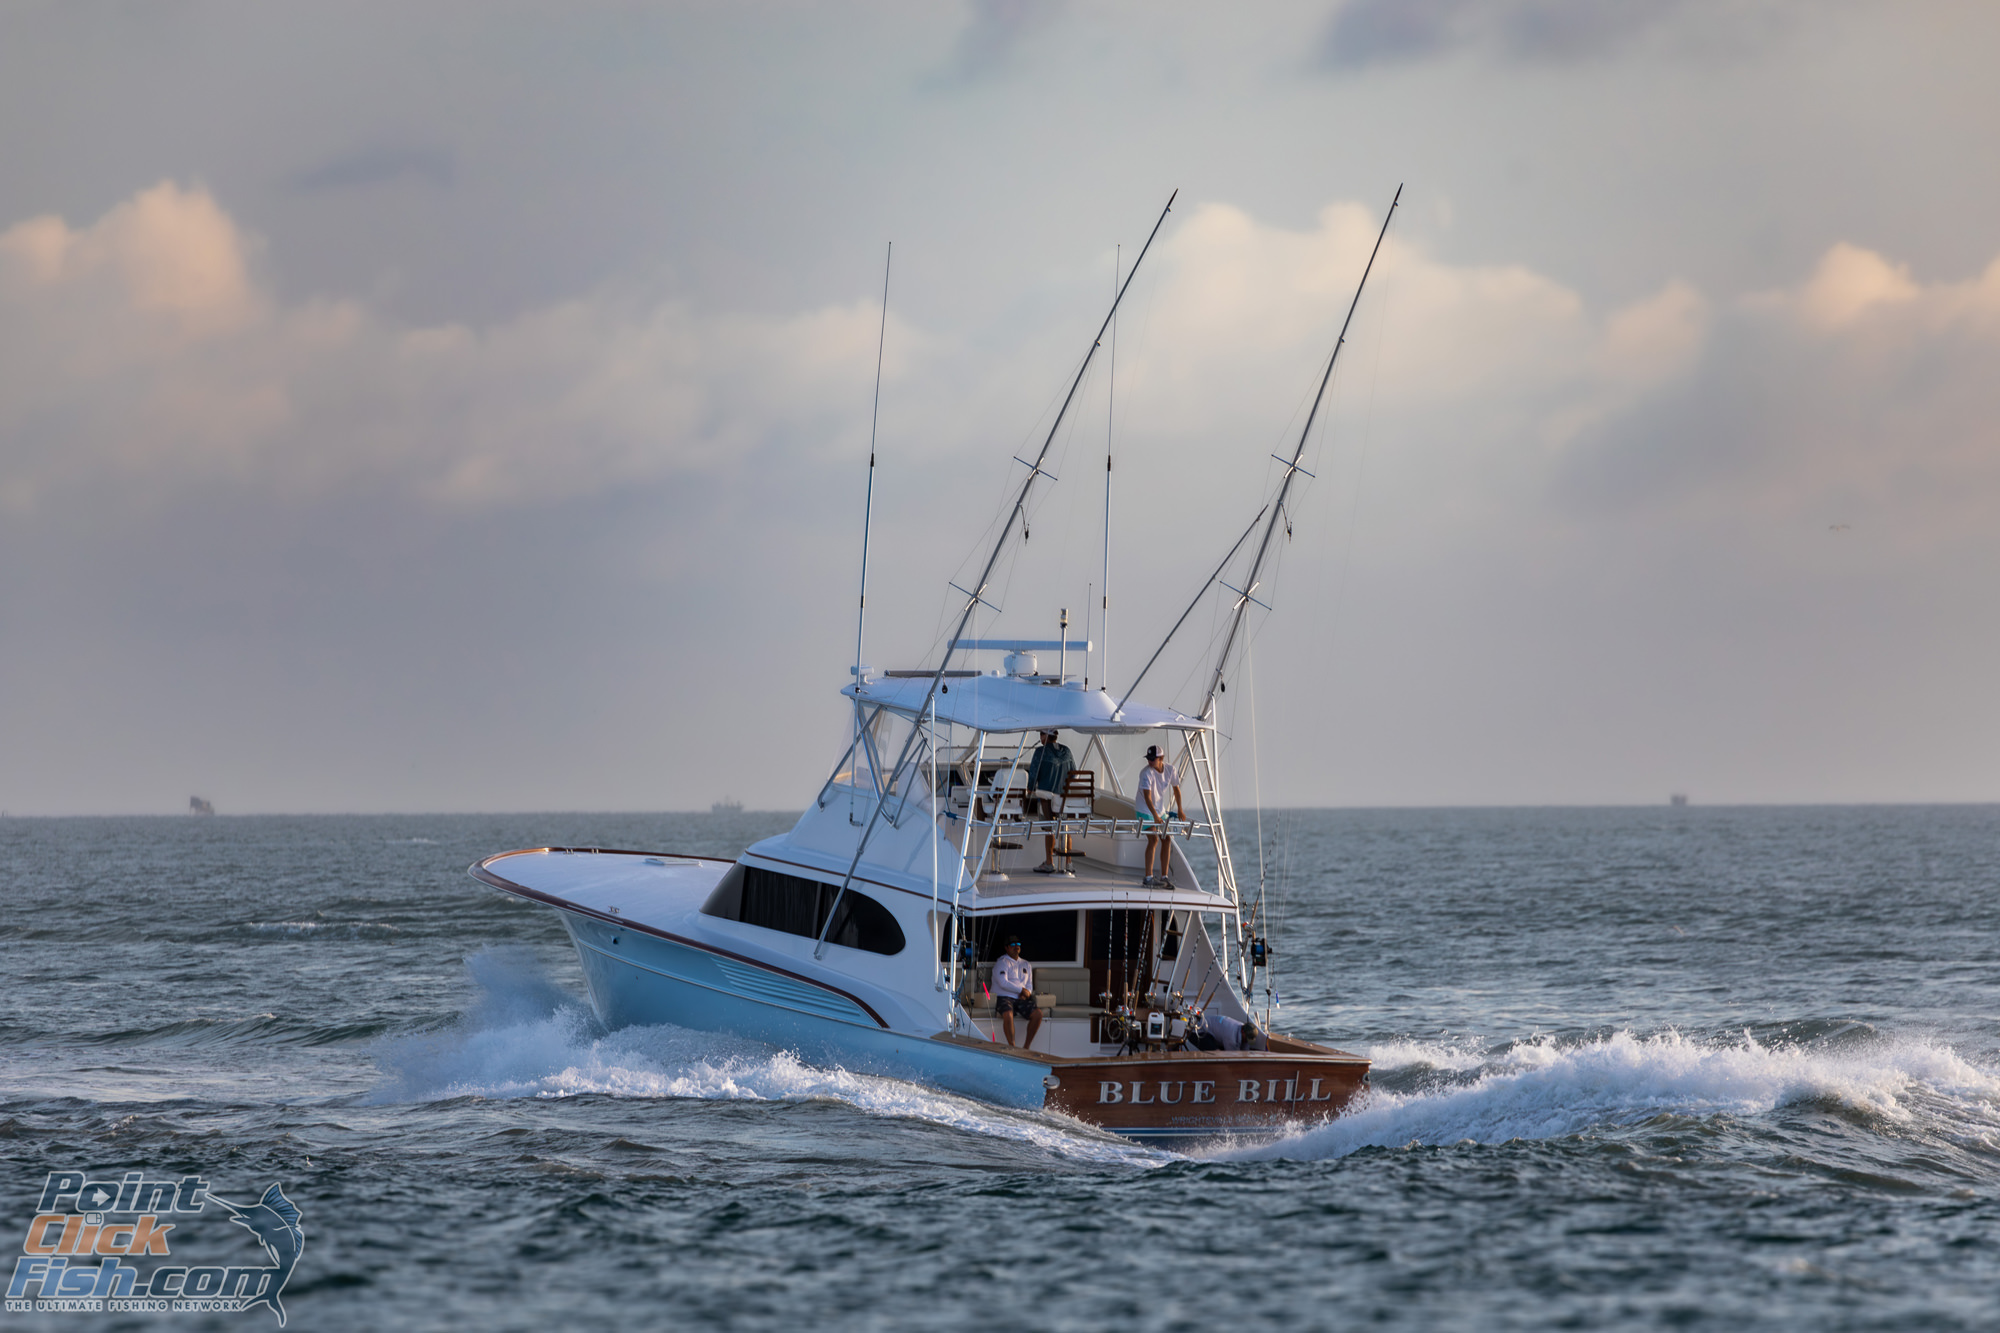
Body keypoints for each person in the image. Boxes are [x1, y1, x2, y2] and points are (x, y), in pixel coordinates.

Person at [1026, 729, 1075, 875]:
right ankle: (1069, 863)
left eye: (1041, 734)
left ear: (1046, 736)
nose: (1040, 737)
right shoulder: (1067, 750)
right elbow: (1073, 773)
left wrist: (1029, 789)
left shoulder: (1040, 752)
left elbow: (1033, 775)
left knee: (1049, 829)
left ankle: (1049, 863)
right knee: (1065, 828)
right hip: (1064, 800)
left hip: (1047, 798)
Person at [1138, 744, 1184, 887]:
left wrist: (1180, 809)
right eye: (1148, 758)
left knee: (1167, 839)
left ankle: (1164, 876)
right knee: (1153, 840)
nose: (1150, 761)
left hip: (1160, 810)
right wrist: (1154, 816)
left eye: (1153, 759)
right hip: (1144, 810)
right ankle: (1148, 878)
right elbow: (1147, 797)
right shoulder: (1146, 773)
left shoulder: (1171, 770)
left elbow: (1176, 790)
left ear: (1161, 758)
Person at [990, 937, 1042, 1048]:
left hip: (1020, 999)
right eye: (1012, 944)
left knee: (1038, 1014)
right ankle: (1012, 1047)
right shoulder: (1002, 962)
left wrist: (1027, 993)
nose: (1016, 946)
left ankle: (1026, 1048)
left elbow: (1029, 984)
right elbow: (1003, 983)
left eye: (1018, 943)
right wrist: (1021, 990)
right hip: (1003, 997)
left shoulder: (1026, 964)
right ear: (1006, 947)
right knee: (1008, 1014)